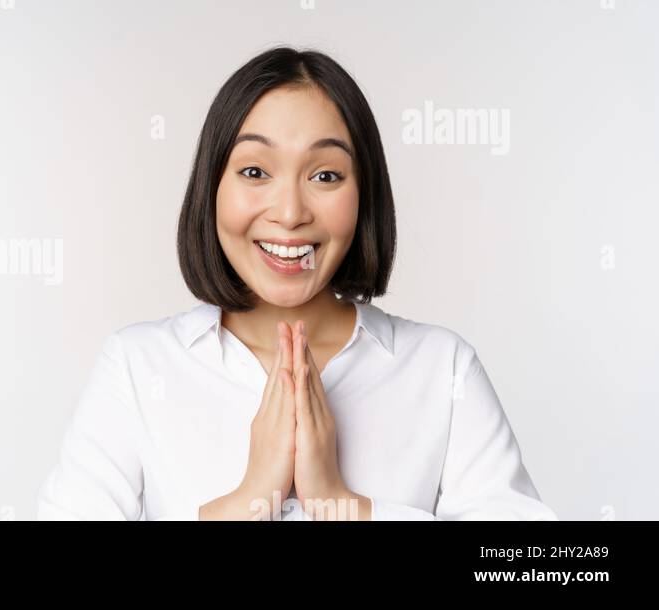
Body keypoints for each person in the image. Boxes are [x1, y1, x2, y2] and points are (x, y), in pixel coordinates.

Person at [37, 47, 556, 521]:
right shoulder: (137, 365)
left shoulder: (442, 368)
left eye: (325, 176)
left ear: (364, 195)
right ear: (212, 186)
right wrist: (244, 505)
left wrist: (346, 506)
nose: (289, 214)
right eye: (255, 171)